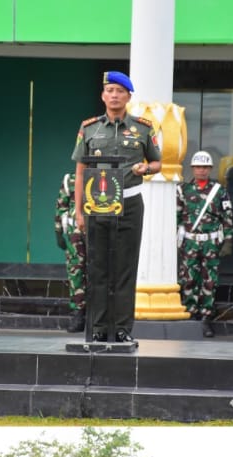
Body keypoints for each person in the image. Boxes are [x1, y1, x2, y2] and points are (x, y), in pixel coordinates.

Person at [72, 71, 162, 344]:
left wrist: (146, 168)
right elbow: (80, 171)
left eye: (119, 91)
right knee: (98, 267)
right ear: (102, 95)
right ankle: (98, 328)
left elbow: (158, 162)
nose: (114, 95)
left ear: (128, 96)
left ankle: (123, 328)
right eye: (109, 90)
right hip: (97, 204)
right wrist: (78, 211)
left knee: (125, 267)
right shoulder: (89, 128)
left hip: (131, 202)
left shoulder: (144, 128)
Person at [176, 150, 233, 337]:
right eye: (198, 167)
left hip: (210, 243)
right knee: (188, 279)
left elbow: (227, 217)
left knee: (209, 281)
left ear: (210, 169)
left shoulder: (219, 191)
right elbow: (176, 217)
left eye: (205, 167)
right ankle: (191, 314)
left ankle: (206, 318)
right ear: (192, 168)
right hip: (190, 243)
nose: (201, 170)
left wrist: (227, 242)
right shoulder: (182, 190)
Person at [53, 171, 88, 332]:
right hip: (75, 233)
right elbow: (61, 206)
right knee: (76, 271)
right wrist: (59, 232)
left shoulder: (106, 176)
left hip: (100, 231)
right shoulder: (71, 179)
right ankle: (78, 313)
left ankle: (99, 316)